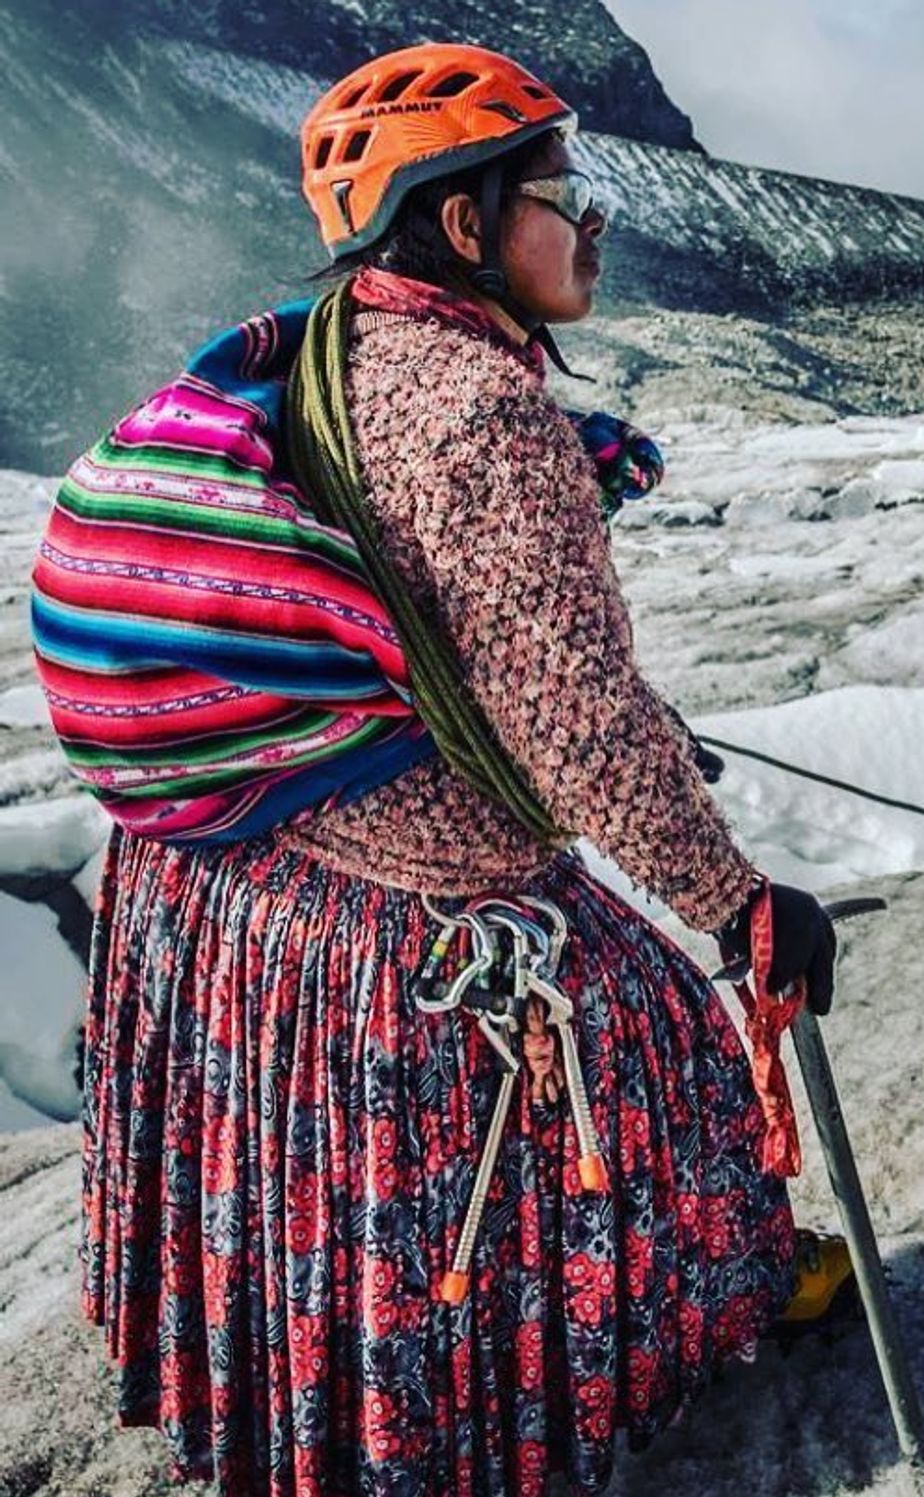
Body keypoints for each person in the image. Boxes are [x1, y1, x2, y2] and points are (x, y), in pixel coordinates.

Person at [30, 41, 847, 1497]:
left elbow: (469, 649)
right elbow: (571, 715)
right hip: (395, 899)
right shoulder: (485, 410)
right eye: (559, 189)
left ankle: (309, 1385)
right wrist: (739, 905)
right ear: (465, 227)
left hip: (229, 874)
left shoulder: (332, 345)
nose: (591, 218)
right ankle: (614, 1348)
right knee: (658, 1029)